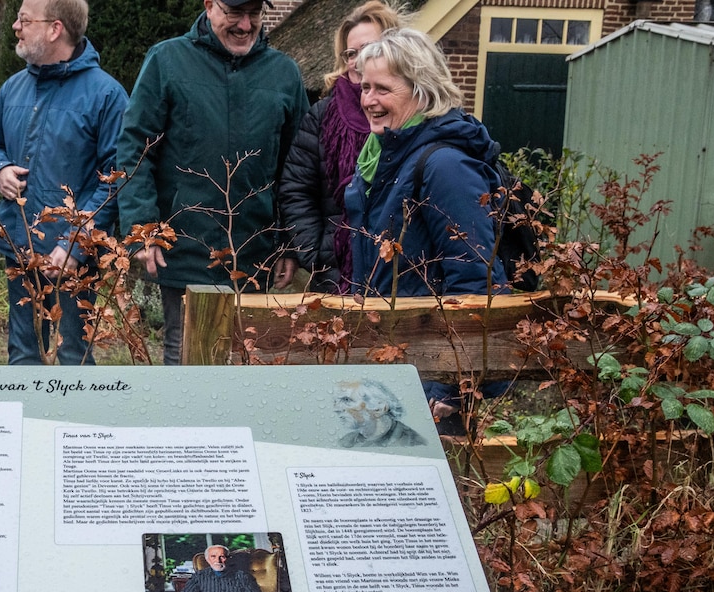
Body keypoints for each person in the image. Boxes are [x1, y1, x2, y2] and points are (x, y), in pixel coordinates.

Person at [118, 0, 309, 365]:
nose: (245, 25)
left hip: (256, 251)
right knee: (186, 355)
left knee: (249, 358)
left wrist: (289, 241)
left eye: (254, 14)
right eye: (234, 13)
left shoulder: (284, 74)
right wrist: (143, 226)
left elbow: (295, 166)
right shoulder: (167, 61)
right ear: (209, 6)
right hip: (187, 246)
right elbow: (135, 148)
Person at [344, 28, 509, 431]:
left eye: (383, 88)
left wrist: (451, 389)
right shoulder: (381, 159)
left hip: (431, 382)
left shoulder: (445, 166)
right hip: (387, 368)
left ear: (422, 90)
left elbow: (476, 281)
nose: (369, 100)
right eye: (365, 87)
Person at [0, 0, 128, 366]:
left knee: (73, 356)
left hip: (73, 260)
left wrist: (73, 245)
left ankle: (73, 426)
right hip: (20, 244)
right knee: (23, 354)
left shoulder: (107, 95)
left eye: (24, 19)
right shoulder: (12, 89)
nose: (15, 27)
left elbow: (115, 179)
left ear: (55, 29)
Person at [279, 1, 404, 292]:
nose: (359, 60)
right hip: (335, 274)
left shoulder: (410, 116)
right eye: (351, 53)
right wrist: (317, 253)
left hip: (398, 270)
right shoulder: (322, 117)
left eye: (370, 48)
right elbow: (295, 188)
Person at [334, 379, 426, 448]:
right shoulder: (347, 441)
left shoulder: (412, 444)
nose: (336, 409)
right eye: (336, 401)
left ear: (379, 408)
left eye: (347, 400)